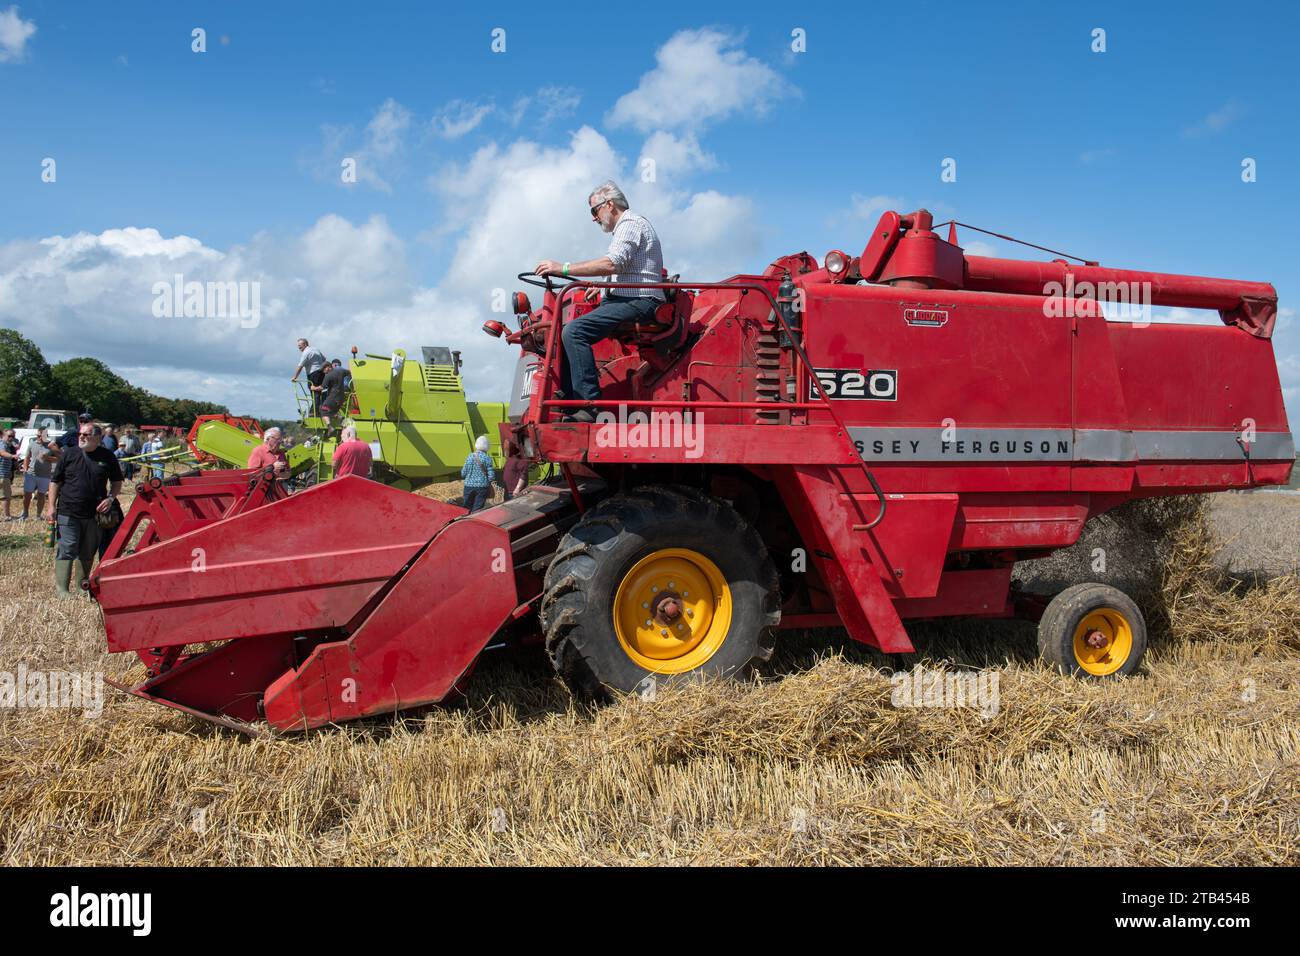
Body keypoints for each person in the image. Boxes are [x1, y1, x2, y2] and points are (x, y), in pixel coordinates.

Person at [534, 180, 665, 423]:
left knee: (574, 332)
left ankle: (589, 406)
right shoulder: (625, 228)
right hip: (627, 299)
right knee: (563, 332)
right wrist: (604, 286)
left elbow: (613, 263)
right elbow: (625, 269)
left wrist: (561, 268)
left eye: (594, 211)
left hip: (643, 302)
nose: (594, 218)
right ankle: (570, 399)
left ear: (610, 204)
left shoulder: (631, 224)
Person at [46, 422, 122, 597]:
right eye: (81, 434)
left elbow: (117, 482)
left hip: (95, 514)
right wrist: (51, 506)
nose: (81, 437)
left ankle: (82, 588)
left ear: (97, 438)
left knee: (88, 551)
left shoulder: (108, 456)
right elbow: (55, 481)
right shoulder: (69, 454)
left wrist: (110, 498)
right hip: (68, 510)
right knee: (68, 547)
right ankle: (62, 590)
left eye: (86, 434)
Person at [22, 427, 55, 521]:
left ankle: (38, 515)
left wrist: (48, 458)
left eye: (41, 435)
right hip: (31, 473)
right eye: (38, 435)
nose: (39, 437)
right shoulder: (32, 444)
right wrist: (25, 468)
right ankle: (25, 513)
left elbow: (58, 459)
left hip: (45, 475)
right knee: (27, 494)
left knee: (41, 495)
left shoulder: (50, 446)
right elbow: (27, 457)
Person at [290, 338, 328, 414]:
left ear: (305, 344)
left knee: (315, 392)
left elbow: (300, 366)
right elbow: (324, 359)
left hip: (314, 374)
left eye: (300, 345)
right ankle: (318, 409)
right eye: (298, 346)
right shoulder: (316, 349)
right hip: (321, 373)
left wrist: (295, 377)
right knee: (319, 391)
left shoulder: (306, 352)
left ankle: (315, 412)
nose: (299, 347)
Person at [460, 435, 495, 513]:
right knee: (477, 509)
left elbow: (463, 473)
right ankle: (474, 522)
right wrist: (488, 481)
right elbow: (491, 476)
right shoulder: (487, 458)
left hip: (468, 486)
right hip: (482, 488)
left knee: (466, 508)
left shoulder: (470, 456)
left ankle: (465, 523)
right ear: (487, 446)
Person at [313, 359, 348, 431]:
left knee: (323, 410)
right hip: (341, 398)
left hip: (333, 397)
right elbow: (350, 372)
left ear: (328, 367)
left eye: (323, 369)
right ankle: (340, 418)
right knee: (332, 412)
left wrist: (313, 388)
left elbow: (321, 388)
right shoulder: (341, 371)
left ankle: (330, 427)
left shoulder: (328, 375)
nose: (323, 371)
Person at [0, 428, 19, 520]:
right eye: (9, 436)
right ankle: (7, 516)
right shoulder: (2, 444)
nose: (11, 438)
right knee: (5, 497)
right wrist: (12, 456)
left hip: (5, 474)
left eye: (13, 436)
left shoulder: (8, 445)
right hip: (2, 475)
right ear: (3, 435)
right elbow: (2, 453)